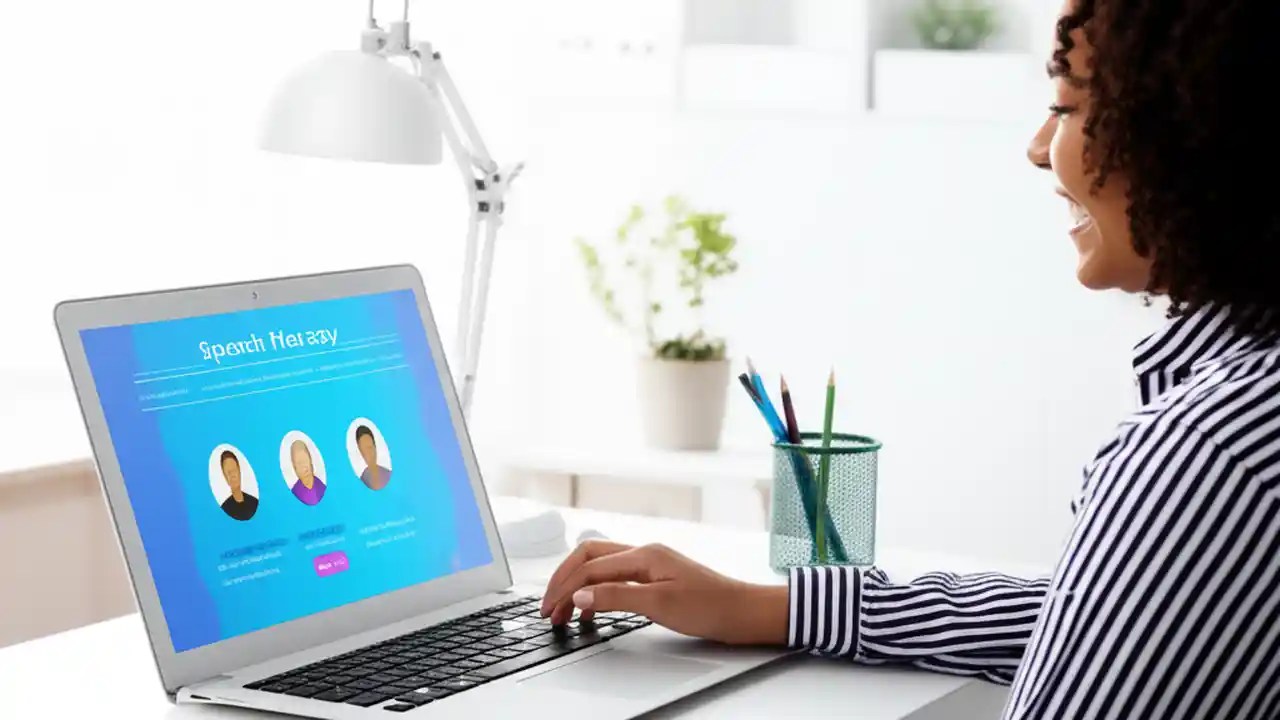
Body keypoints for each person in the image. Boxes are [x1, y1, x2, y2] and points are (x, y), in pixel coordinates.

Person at [540, 1, 1280, 718]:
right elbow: (1104, 617)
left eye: (1066, 110)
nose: (1035, 147)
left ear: (1190, 131)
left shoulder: (1202, 455)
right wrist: (773, 607)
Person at [217, 450, 258, 521]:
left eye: (234, 470)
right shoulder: (225, 508)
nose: (233, 475)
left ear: (239, 471)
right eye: (229, 472)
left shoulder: (254, 502)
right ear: (225, 476)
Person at [288, 439, 326, 506]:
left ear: (310, 460)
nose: (304, 466)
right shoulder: (295, 492)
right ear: (295, 468)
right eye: (300, 463)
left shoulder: (321, 487)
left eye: (305, 460)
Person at [354, 425, 392, 491]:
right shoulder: (363, 478)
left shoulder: (386, 474)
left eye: (370, 448)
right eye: (363, 450)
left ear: (375, 447)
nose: (368, 454)